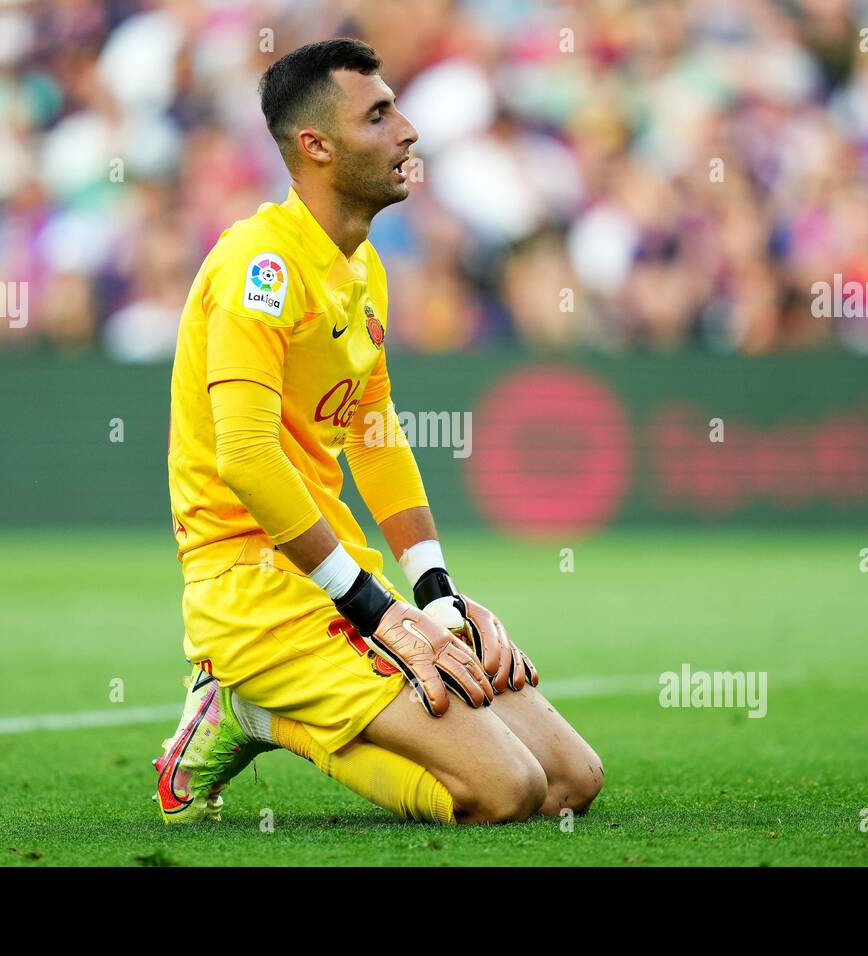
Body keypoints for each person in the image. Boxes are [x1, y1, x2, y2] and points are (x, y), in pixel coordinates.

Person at [154, 38, 603, 825]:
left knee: (571, 780)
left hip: (333, 574)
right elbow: (248, 459)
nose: (408, 130)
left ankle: (287, 692)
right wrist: (373, 608)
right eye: (380, 114)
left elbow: (374, 434)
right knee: (506, 793)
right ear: (316, 146)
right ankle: (250, 708)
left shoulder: (363, 268)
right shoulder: (258, 269)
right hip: (250, 591)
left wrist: (435, 595)